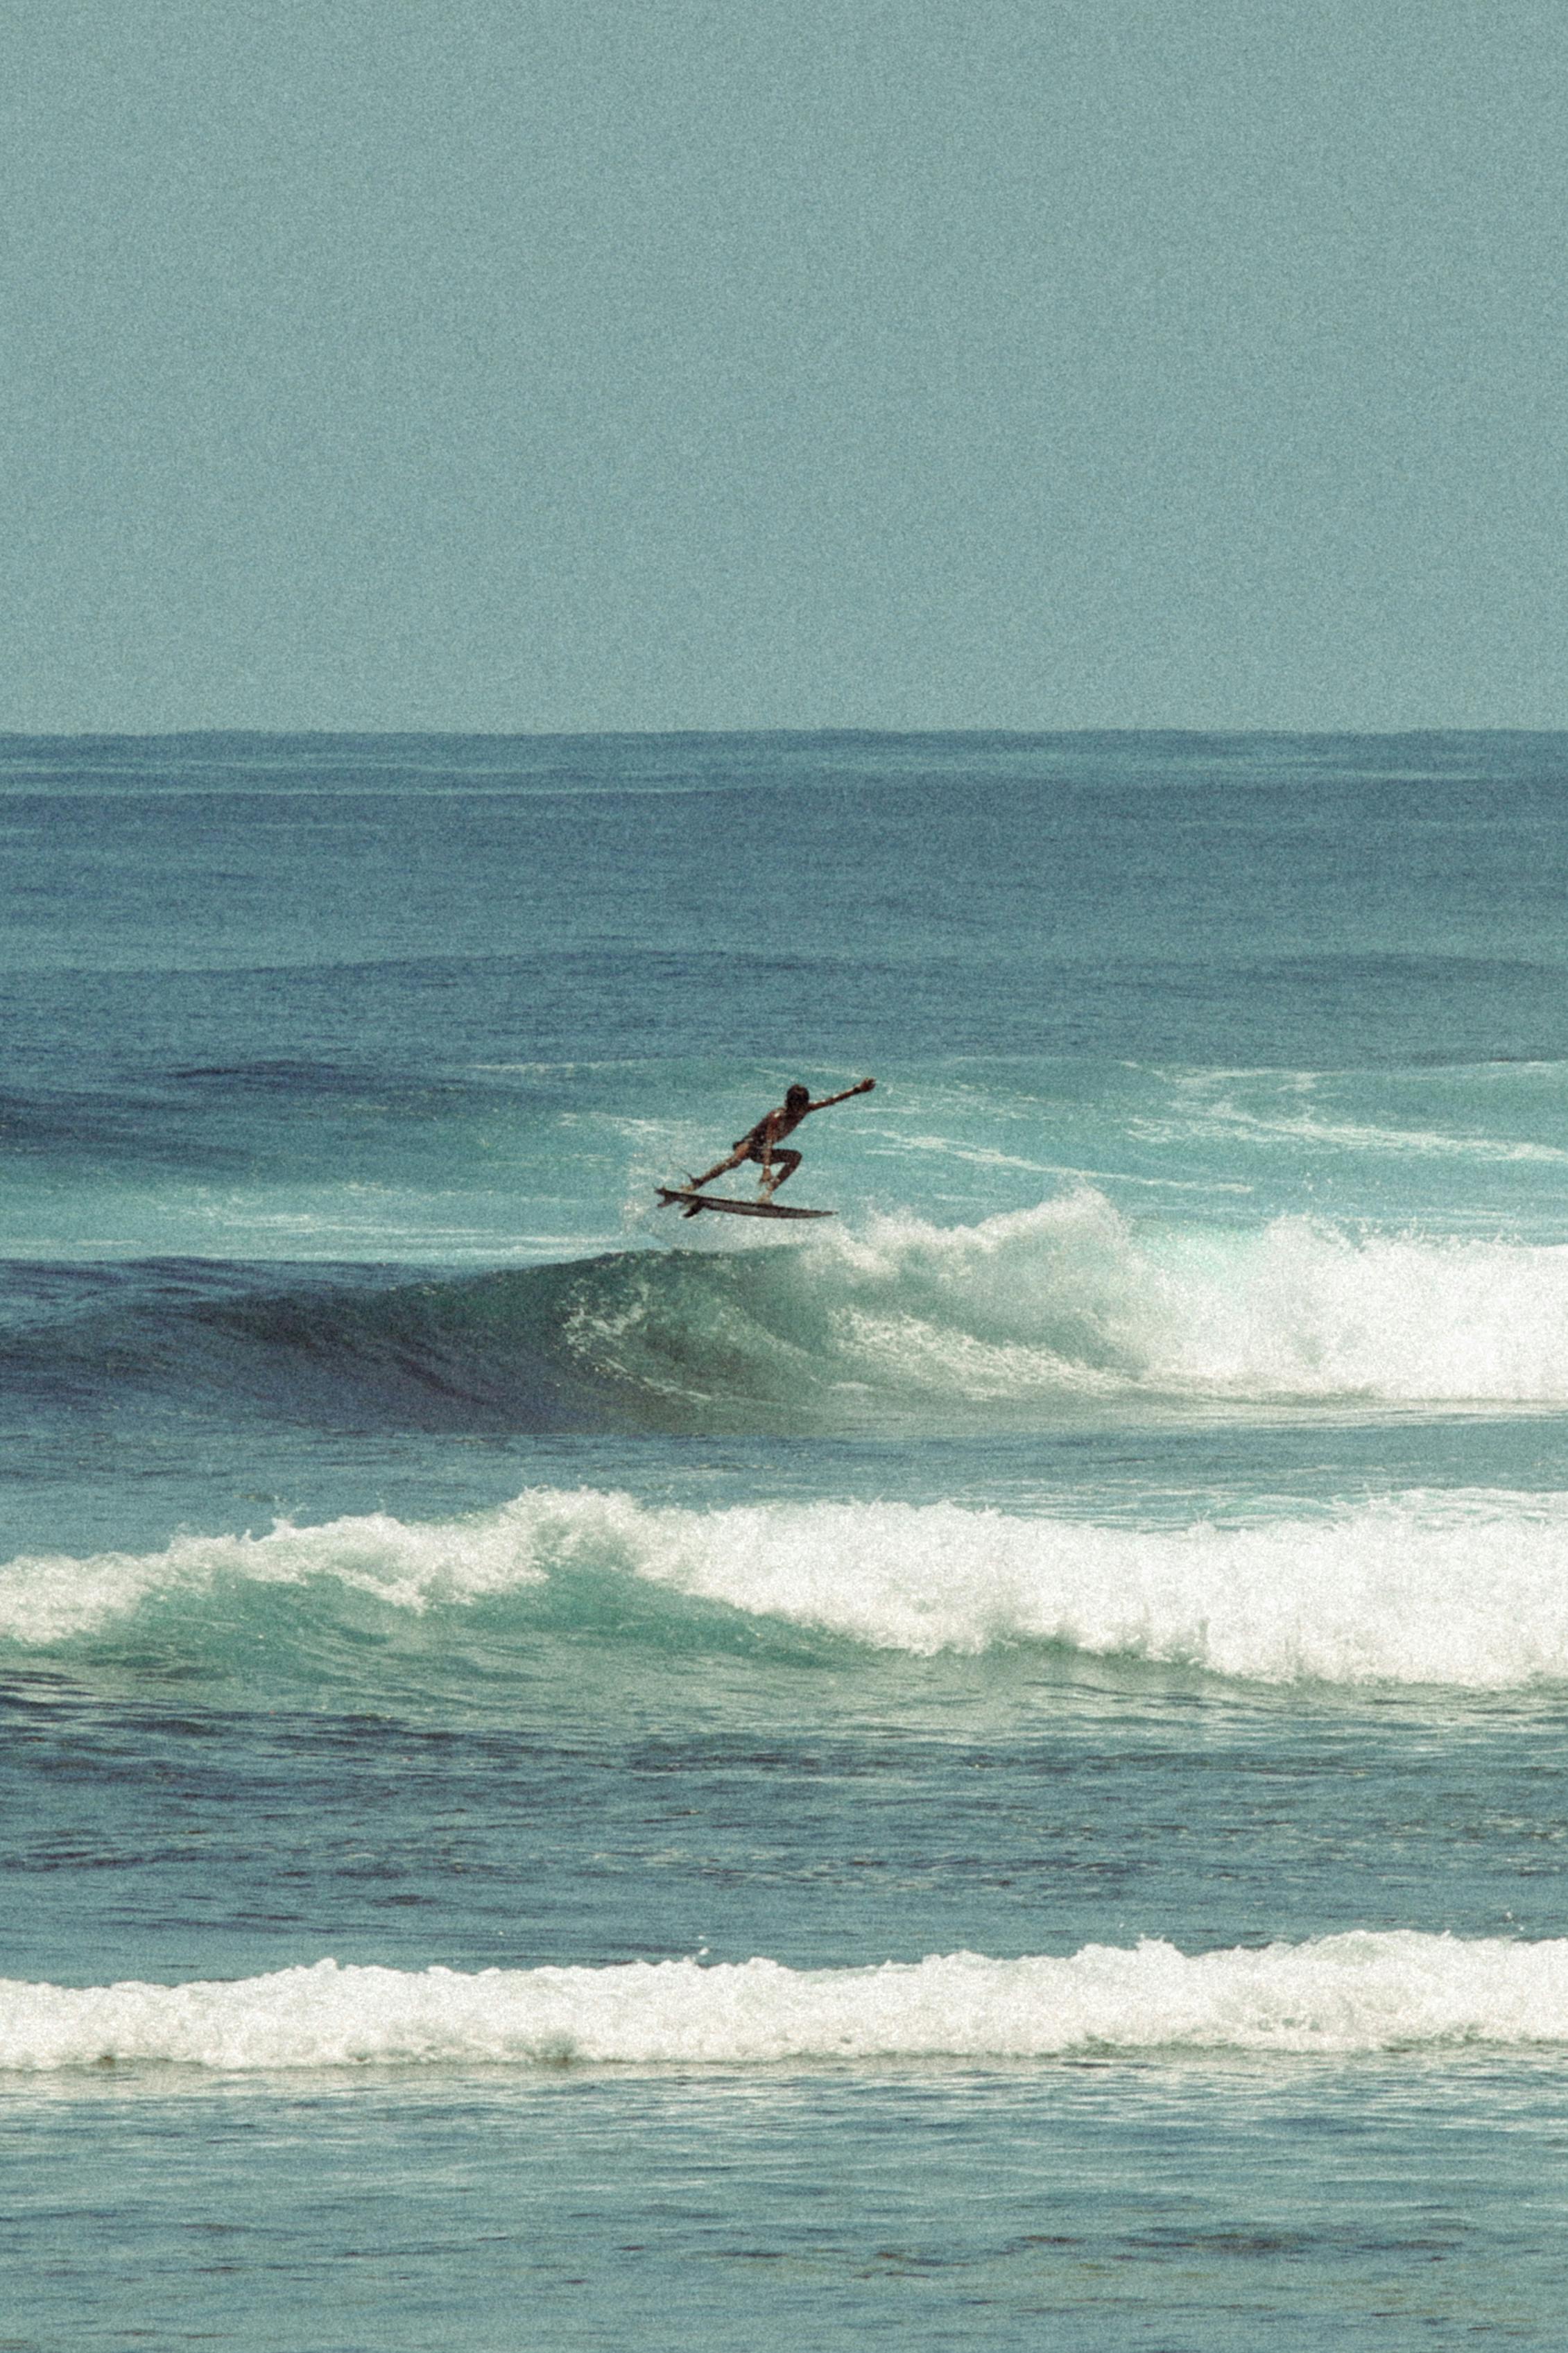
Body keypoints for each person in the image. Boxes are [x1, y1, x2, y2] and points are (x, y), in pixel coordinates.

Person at [682, 1078, 875, 1212]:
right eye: (795, 1108)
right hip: (751, 1144)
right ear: (787, 1103)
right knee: (734, 1161)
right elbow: (767, 1143)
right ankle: (697, 1183)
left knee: (796, 1157)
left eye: (801, 1108)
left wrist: (858, 1089)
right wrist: (766, 1168)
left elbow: (833, 1100)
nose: (798, 1113)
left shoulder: (807, 1109)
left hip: (765, 1150)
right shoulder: (777, 1117)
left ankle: (767, 1195)